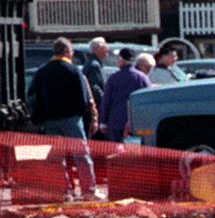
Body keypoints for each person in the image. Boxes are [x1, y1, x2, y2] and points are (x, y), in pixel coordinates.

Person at [26, 37, 97, 199]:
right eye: (71, 51)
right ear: (66, 52)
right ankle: (88, 191)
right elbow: (83, 97)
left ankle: (64, 191)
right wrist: (81, 113)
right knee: (81, 155)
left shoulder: (42, 71)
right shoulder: (73, 70)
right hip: (71, 119)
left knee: (57, 158)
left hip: (50, 120)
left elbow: (32, 96)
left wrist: (40, 115)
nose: (72, 54)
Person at [99, 47, 152, 143]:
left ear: (122, 60)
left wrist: (103, 121)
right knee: (134, 151)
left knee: (115, 149)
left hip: (115, 121)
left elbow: (106, 101)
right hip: (136, 121)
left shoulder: (113, 78)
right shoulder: (142, 78)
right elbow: (148, 99)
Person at [82, 37, 110, 105]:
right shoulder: (94, 65)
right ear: (96, 49)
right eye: (104, 47)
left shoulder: (97, 63)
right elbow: (94, 87)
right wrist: (105, 100)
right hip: (96, 105)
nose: (107, 49)